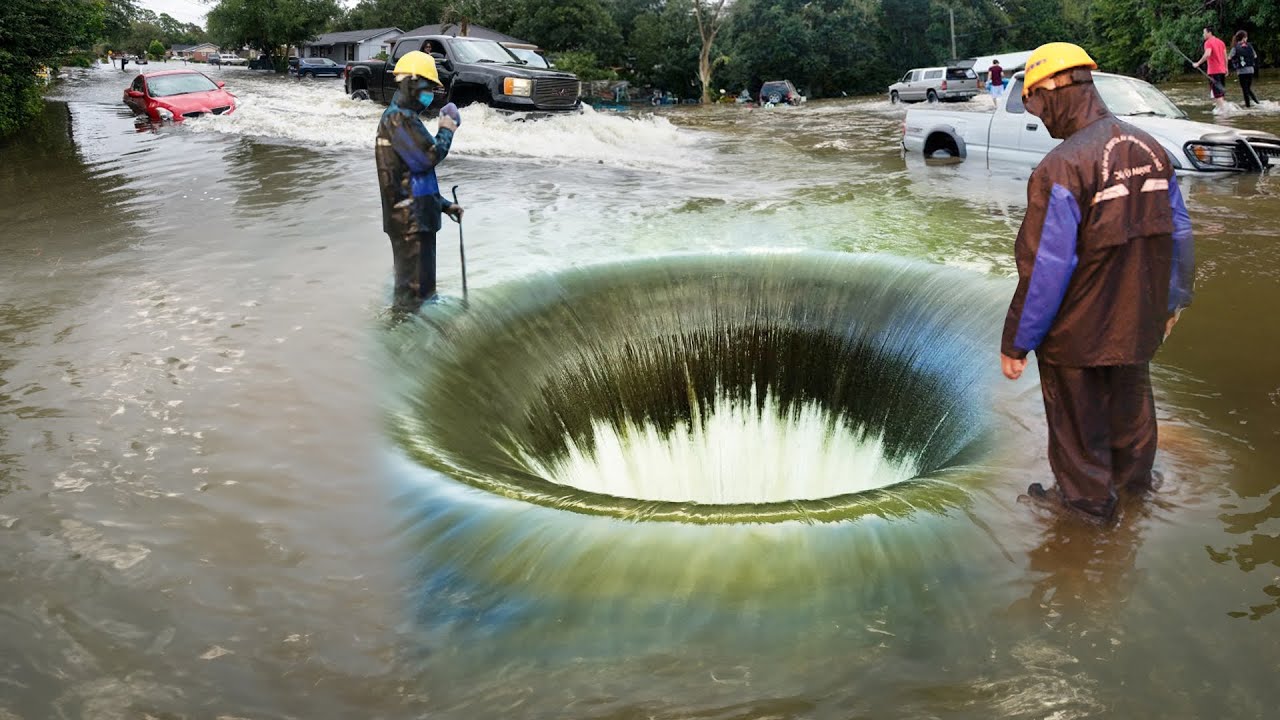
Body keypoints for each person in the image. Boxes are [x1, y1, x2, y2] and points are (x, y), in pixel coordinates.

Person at [999, 42, 1195, 523]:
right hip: (1138, 318)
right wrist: (1171, 305)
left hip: (1077, 336)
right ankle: (1136, 495)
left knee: (1077, 431)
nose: (1037, 112)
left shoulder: (1062, 167)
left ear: (1054, 90)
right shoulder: (1151, 148)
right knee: (1132, 415)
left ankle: (1087, 517)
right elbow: (1181, 235)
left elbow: (1047, 267)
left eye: (1034, 100)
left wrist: (1016, 342)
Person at [375, 50, 463, 312]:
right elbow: (428, 158)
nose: (430, 95)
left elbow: (415, 177)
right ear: (411, 83)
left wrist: (444, 205)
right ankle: (400, 336)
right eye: (427, 87)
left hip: (418, 218)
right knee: (411, 295)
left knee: (423, 291)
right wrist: (447, 128)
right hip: (409, 222)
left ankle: (419, 331)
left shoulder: (406, 120)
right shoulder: (398, 120)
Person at [1193, 27, 1228, 112]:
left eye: (1204, 33)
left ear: (1210, 33)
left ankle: (1223, 115)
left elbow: (1207, 54)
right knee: (1220, 93)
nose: (1203, 35)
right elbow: (1225, 57)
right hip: (1222, 70)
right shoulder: (1221, 42)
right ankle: (1222, 110)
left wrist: (1198, 63)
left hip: (1214, 71)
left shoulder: (1208, 42)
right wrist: (1226, 68)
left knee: (1217, 94)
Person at [1230, 30, 1261, 108]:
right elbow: (1255, 56)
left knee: (1245, 90)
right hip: (1251, 70)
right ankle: (1257, 103)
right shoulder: (1249, 46)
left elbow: (1230, 57)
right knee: (1247, 89)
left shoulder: (1235, 47)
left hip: (1241, 71)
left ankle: (1248, 106)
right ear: (1244, 38)